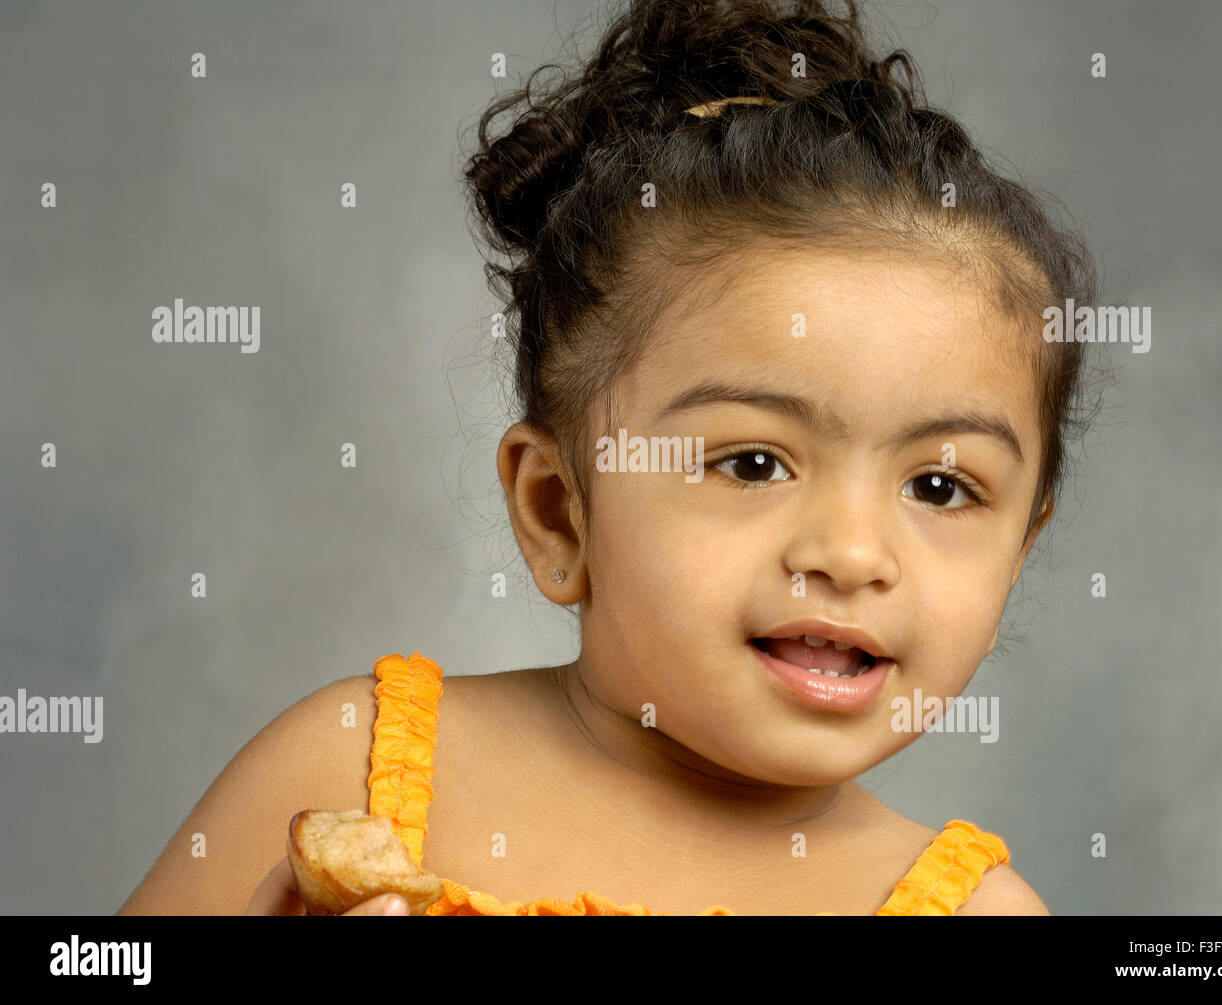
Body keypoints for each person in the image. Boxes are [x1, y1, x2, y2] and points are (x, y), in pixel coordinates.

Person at [119, 0, 1102, 916]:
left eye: (939, 485)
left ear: (1019, 549)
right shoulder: (348, 773)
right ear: (558, 511)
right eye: (752, 464)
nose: (851, 554)